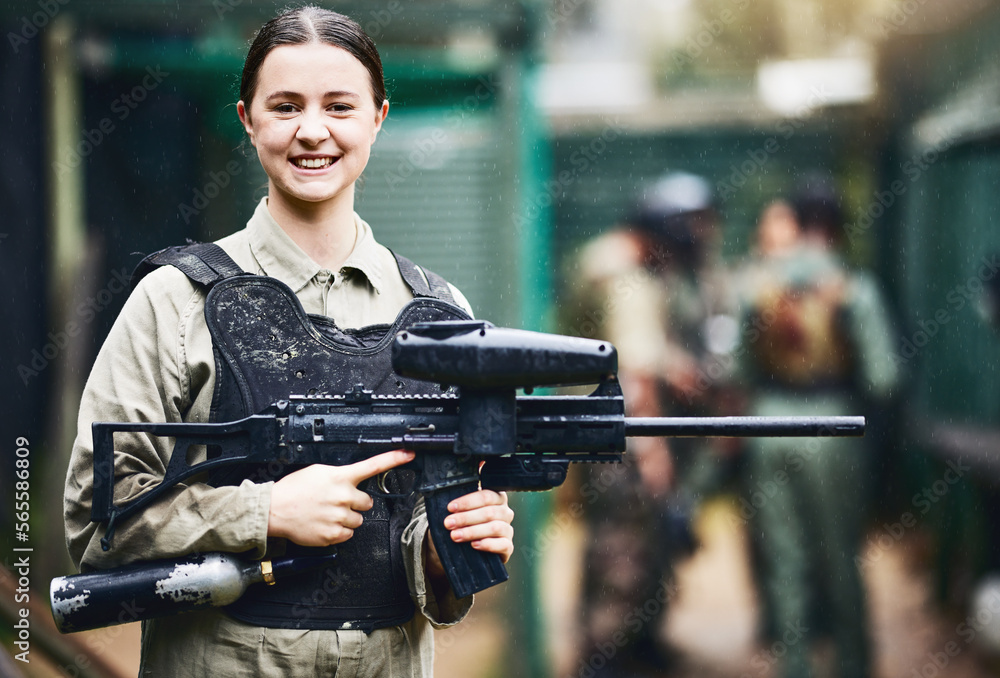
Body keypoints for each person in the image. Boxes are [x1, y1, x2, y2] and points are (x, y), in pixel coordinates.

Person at [62, 7, 514, 677]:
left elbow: (436, 574)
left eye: (339, 105)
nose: (312, 131)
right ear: (247, 119)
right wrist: (265, 510)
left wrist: (455, 549)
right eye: (285, 106)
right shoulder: (176, 300)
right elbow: (94, 522)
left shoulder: (443, 316)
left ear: (377, 117)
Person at [559, 172, 735, 676]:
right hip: (621, 438)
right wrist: (655, 458)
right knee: (623, 546)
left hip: (594, 429)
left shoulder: (610, 259)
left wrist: (671, 364)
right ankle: (605, 655)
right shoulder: (628, 278)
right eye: (694, 227)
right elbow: (632, 379)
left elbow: (620, 350)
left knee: (627, 542)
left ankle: (631, 642)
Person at [735, 177, 898, 678]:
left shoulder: (756, 286)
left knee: (785, 561)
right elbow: (883, 378)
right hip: (833, 427)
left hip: (768, 427)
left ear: (799, 222)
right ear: (836, 226)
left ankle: (797, 665)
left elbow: (736, 372)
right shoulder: (853, 287)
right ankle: (852, 664)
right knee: (841, 556)